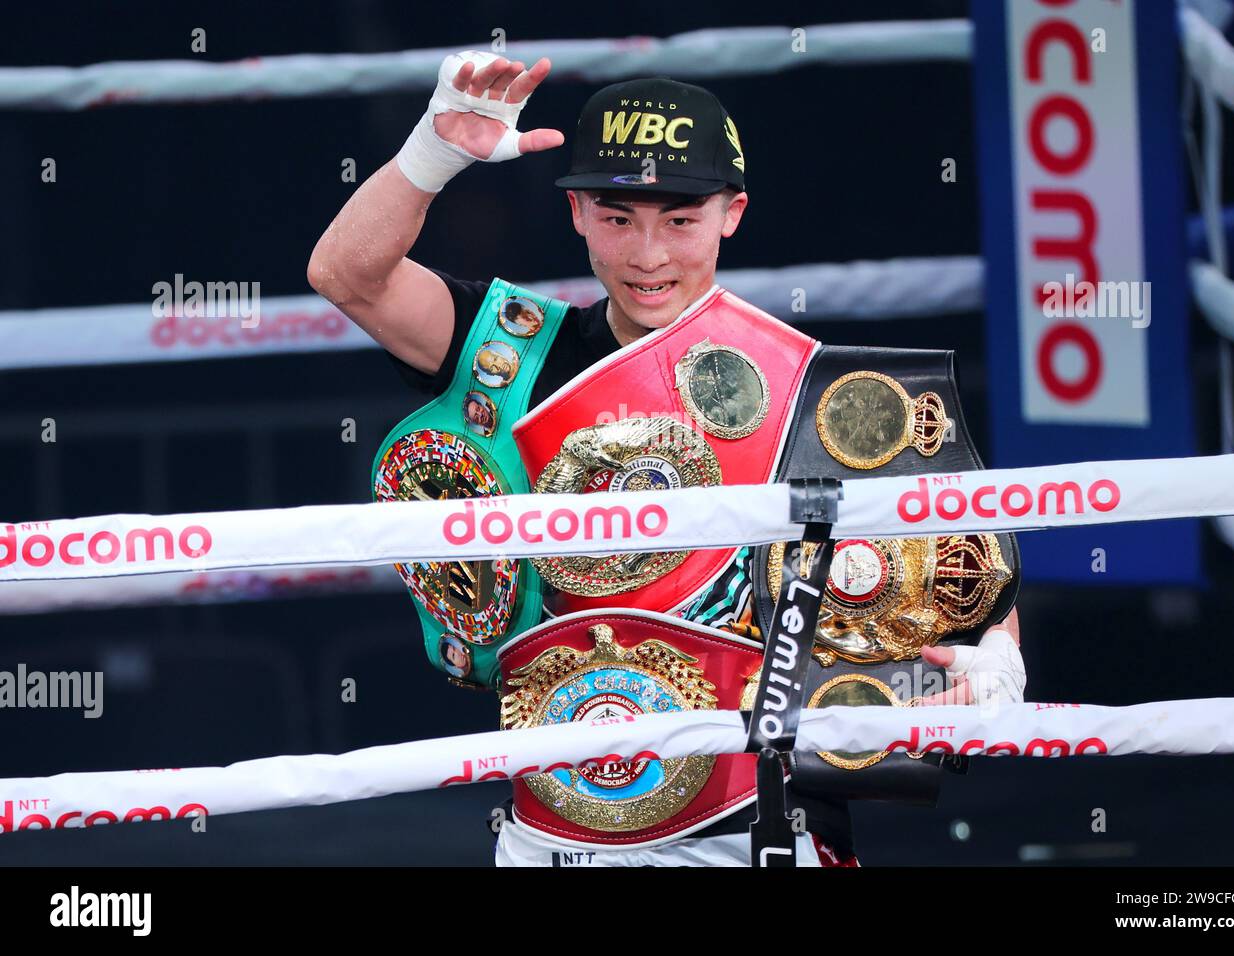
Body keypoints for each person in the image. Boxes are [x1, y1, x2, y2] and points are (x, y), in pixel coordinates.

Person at [308, 51, 1026, 866]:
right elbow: (347, 274)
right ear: (577, 212)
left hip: (760, 827)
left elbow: (958, 579)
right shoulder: (513, 352)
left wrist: (997, 662)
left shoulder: (808, 387)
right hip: (553, 834)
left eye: (680, 220)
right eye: (618, 219)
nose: (648, 253)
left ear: (733, 213)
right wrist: (432, 158)